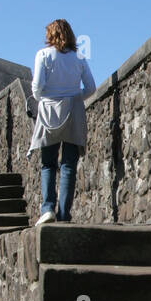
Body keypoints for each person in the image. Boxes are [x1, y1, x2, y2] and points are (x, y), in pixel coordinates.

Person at [29, 20, 95, 224]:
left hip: (49, 110)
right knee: (68, 165)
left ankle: (47, 208)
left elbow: (37, 87)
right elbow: (91, 88)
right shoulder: (80, 57)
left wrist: (44, 98)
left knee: (48, 164)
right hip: (74, 111)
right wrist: (74, 98)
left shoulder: (43, 55)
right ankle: (64, 215)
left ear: (50, 35)